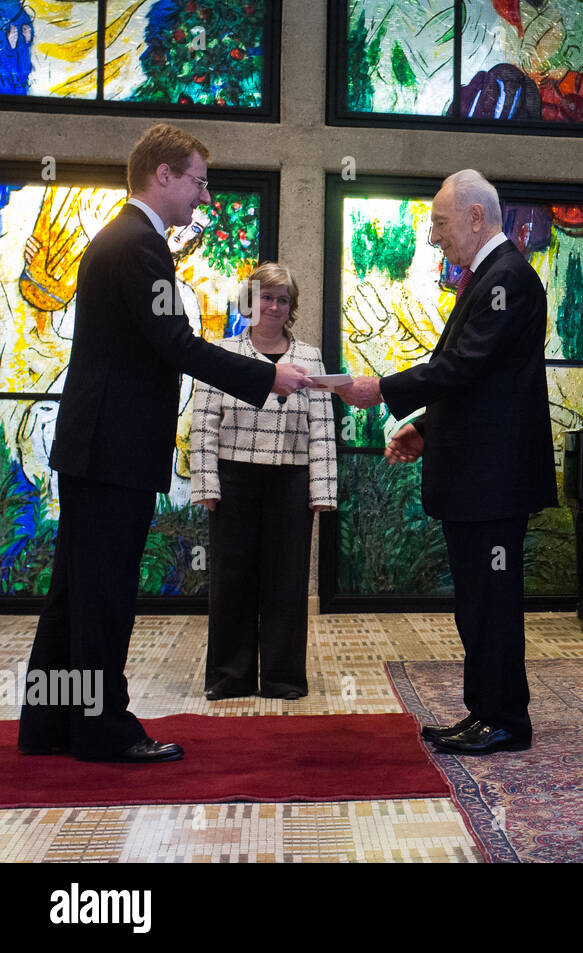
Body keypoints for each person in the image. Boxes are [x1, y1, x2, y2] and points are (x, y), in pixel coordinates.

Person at [17, 123, 312, 763]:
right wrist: (267, 377)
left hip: (96, 449)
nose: (204, 196)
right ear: (164, 175)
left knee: (73, 593)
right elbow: (176, 344)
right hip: (113, 452)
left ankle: (47, 723)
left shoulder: (122, 240)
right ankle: (101, 729)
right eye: (199, 182)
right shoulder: (140, 246)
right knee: (103, 595)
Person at [338, 169, 555, 756]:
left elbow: (465, 367)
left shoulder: (508, 278)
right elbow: (482, 385)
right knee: (477, 603)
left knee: (491, 604)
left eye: (439, 222)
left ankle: (505, 720)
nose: (435, 236)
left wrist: (381, 389)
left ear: (476, 217)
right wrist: (426, 430)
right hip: (479, 478)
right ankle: (485, 711)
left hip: (494, 483)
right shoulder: (491, 276)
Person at [191, 262, 338, 701]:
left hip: (291, 482)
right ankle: (228, 677)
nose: (274, 306)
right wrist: (206, 485)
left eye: (282, 299)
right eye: (266, 297)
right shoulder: (223, 353)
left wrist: (322, 491)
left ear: (291, 307)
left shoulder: (310, 357)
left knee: (287, 580)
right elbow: (203, 422)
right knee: (231, 578)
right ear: (250, 302)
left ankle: (282, 677)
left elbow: (322, 428)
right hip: (233, 479)